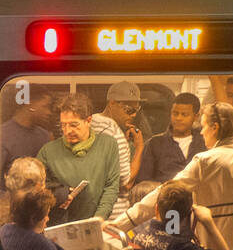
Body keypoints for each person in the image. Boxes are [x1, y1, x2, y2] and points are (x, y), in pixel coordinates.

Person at [111, 103, 233, 250]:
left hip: (222, 244)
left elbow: (164, 192)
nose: (202, 132)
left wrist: (119, 225)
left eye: (203, 126)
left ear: (214, 128)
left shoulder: (206, 161)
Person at [37, 92, 119, 226]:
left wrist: (99, 218)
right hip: (58, 226)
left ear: (88, 120)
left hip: (95, 223)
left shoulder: (108, 145)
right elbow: (35, 190)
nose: (67, 131)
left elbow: (111, 187)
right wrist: (60, 194)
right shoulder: (48, 151)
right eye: (63, 125)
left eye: (73, 125)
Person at [126, 180, 229, 250]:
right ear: (187, 214)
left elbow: (170, 231)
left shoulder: (137, 233)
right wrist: (208, 222)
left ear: (156, 208)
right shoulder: (183, 248)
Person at [90, 81, 145, 217]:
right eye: (129, 110)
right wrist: (139, 148)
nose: (133, 115)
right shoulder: (113, 132)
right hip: (113, 214)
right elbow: (125, 183)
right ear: (112, 103)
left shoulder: (93, 122)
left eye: (136, 110)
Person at [137, 91, 204, 183]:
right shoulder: (154, 144)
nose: (178, 118)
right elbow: (144, 182)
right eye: (175, 113)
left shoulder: (204, 142)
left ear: (196, 117)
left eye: (184, 114)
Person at [0, 86, 54, 180]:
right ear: (30, 105)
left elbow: (50, 177)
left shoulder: (45, 137)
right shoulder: (2, 135)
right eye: (45, 106)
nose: (49, 112)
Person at [0, 187, 64, 250]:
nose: (48, 219)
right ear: (33, 219)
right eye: (46, 215)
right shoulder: (44, 246)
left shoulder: (4, 229)